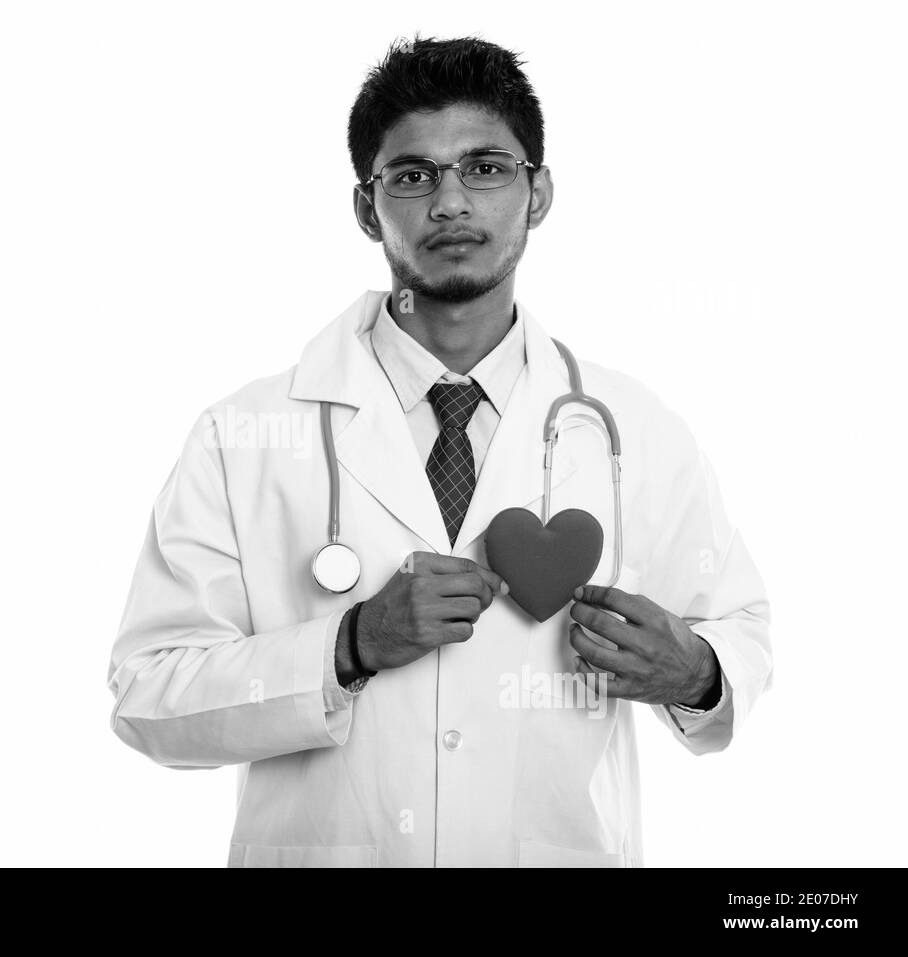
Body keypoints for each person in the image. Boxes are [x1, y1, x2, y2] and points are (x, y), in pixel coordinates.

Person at [106, 35, 773, 867]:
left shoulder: (630, 427)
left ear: (539, 193)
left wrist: (695, 672)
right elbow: (146, 693)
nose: (451, 202)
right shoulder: (244, 434)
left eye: (487, 167)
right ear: (365, 206)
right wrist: (348, 645)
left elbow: (741, 633)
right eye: (413, 175)